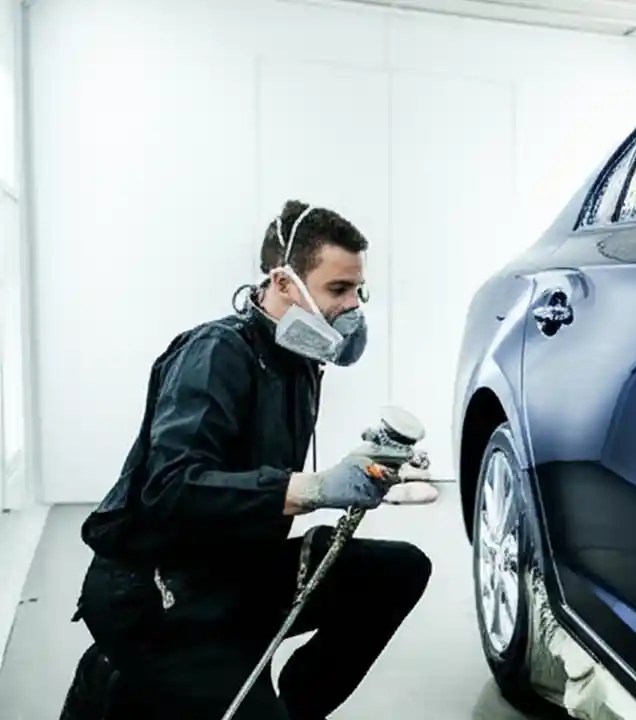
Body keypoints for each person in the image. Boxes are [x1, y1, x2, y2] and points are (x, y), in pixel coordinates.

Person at [58, 201, 433, 719]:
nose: (353, 308)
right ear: (283, 282)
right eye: (338, 290)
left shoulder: (301, 365)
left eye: (358, 290)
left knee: (400, 570)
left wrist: (365, 470)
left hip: (235, 568)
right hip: (157, 589)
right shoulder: (216, 354)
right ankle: (116, 676)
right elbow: (171, 489)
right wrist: (316, 487)